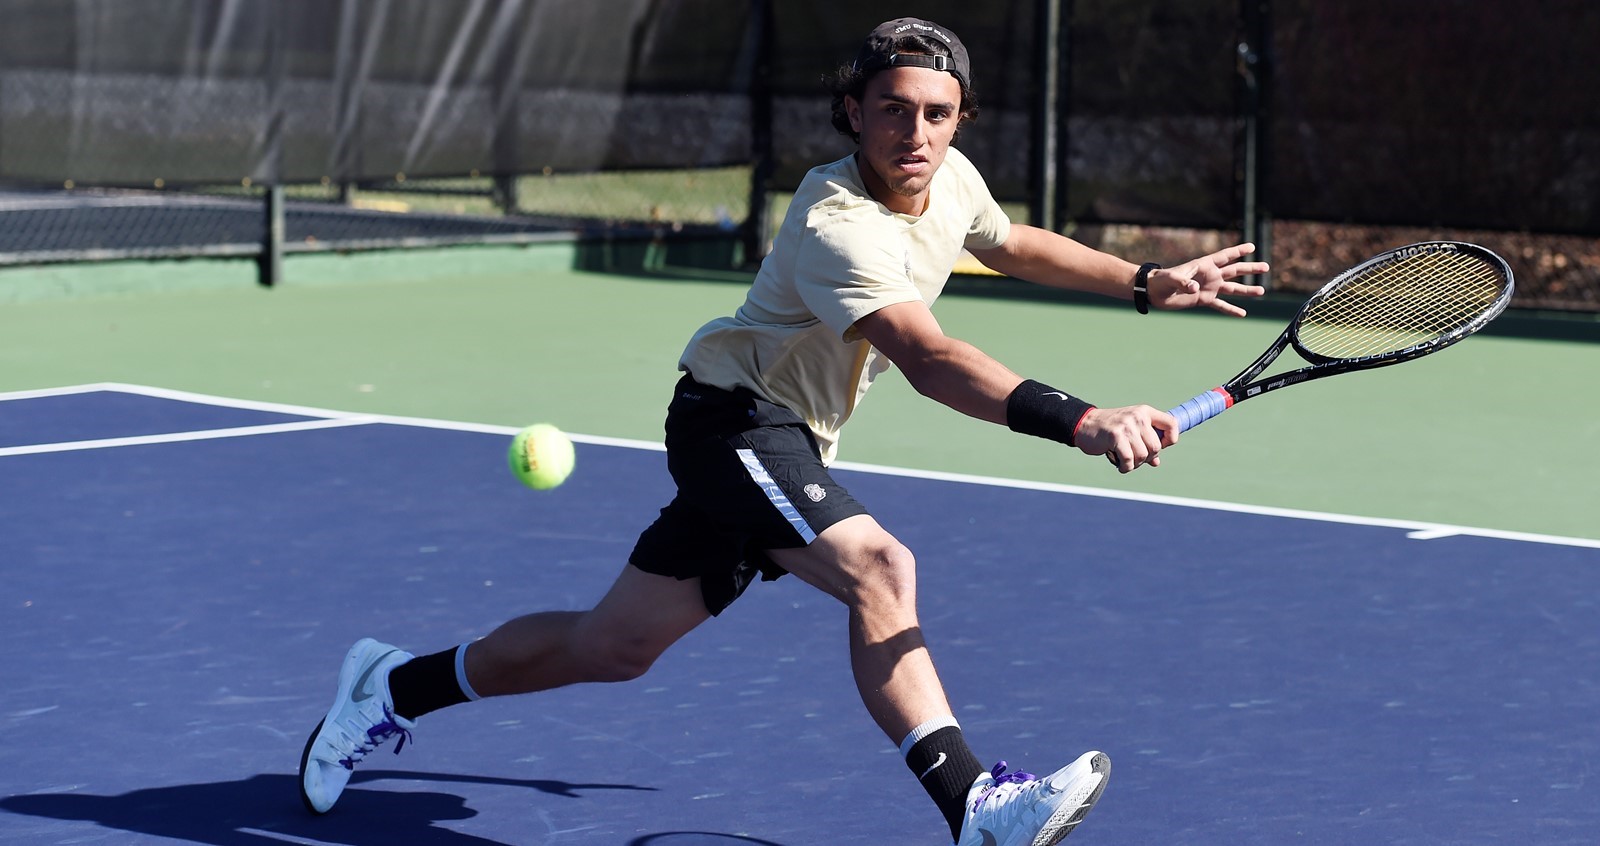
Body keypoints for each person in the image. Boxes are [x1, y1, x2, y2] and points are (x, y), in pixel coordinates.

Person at [297, 17, 1266, 846]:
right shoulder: (838, 224)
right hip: (734, 423)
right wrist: (1083, 420)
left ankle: (392, 686)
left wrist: (1142, 282)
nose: (915, 132)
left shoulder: (950, 174)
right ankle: (976, 803)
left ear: (959, 117)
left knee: (614, 646)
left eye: (935, 113)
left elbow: (1009, 244)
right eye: (893, 109)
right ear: (853, 109)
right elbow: (930, 361)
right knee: (880, 568)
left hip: (790, 439)